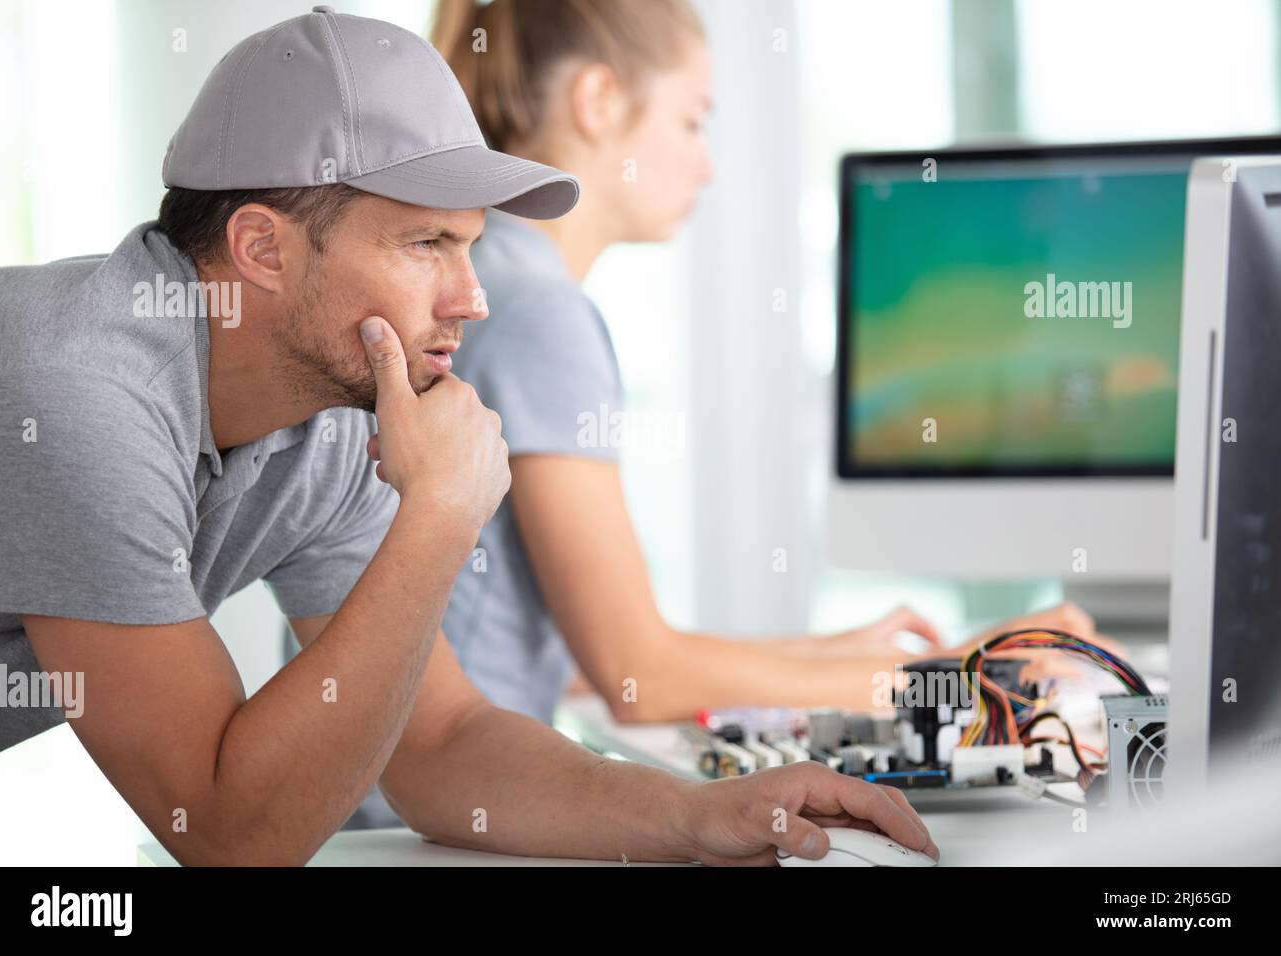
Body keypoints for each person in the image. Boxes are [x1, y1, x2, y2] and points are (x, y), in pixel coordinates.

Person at [0, 7, 937, 866]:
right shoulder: (81, 392)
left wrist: (692, 813)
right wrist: (437, 516)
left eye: (471, 245)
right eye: (425, 244)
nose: (471, 297)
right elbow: (226, 834)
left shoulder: (329, 418)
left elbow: (441, 747)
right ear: (262, 250)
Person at [430, 0, 1110, 726]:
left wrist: (835, 656)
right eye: (692, 121)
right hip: (409, 826)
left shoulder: (489, 273)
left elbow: (571, 664)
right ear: (597, 102)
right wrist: (959, 675)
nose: (707, 164)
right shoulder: (541, 314)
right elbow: (638, 675)